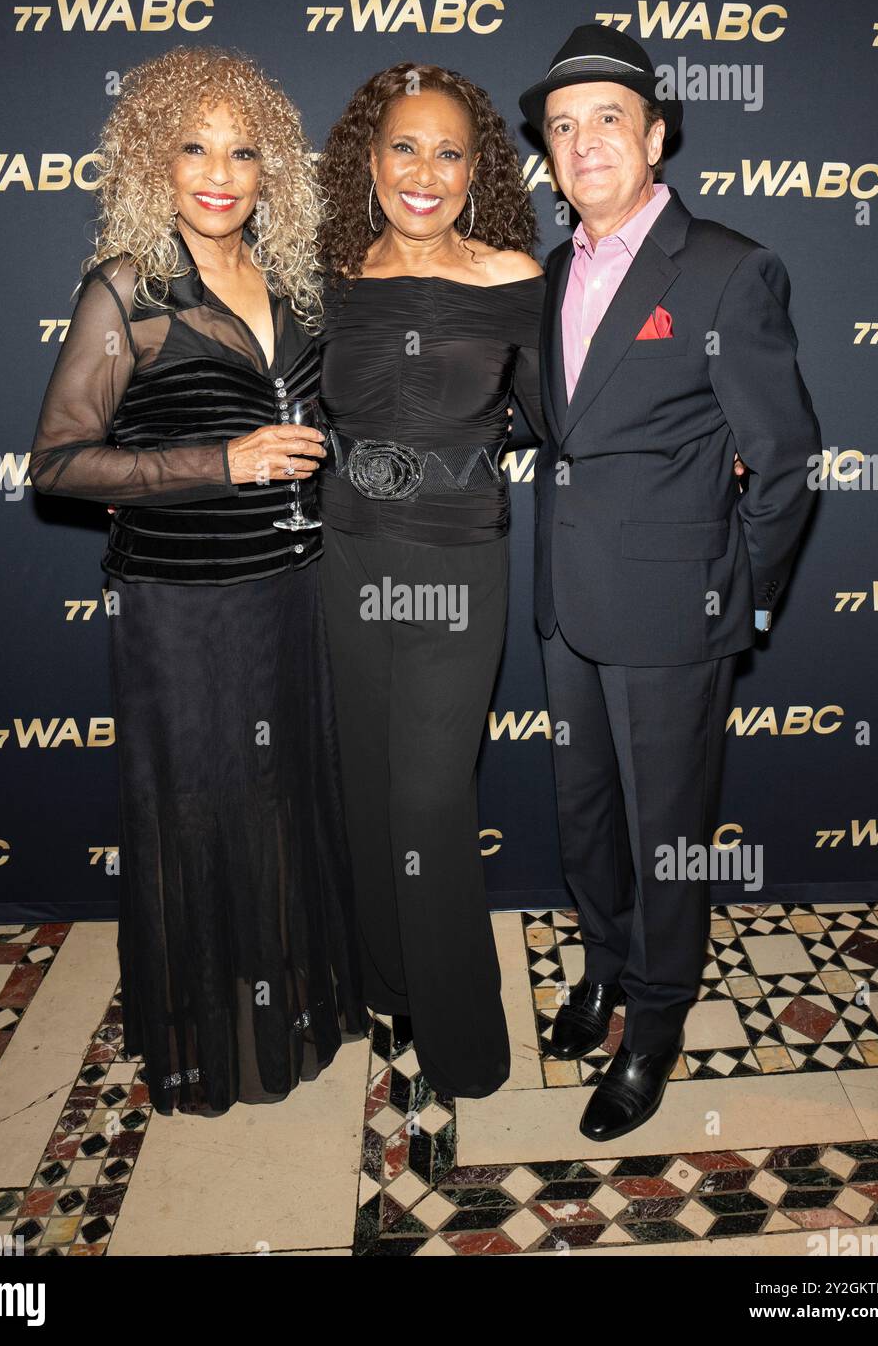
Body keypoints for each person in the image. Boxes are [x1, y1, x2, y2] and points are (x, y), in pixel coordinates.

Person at [28, 44, 368, 1117]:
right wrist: (222, 460)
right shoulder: (126, 287)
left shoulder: (288, 278)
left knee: (282, 803)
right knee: (199, 811)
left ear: (272, 172)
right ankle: (211, 1038)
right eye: (194, 148)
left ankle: (296, 1009)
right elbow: (60, 463)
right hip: (180, 603)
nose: (220, 172)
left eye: (243, 151)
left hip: (292, 590)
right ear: (151, 160)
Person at [518, 24, 820, 1139]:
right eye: (561, 126)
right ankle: (602, 969)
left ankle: (652, 1024)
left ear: (653, 133)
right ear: (545, 154)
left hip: (673, 612)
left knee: (665, 833)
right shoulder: (552, 272)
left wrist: (735, 599)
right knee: (584, 814)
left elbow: (783, 458)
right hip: (565, 605)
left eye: (607, 119)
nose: (583, 142)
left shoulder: (727, 266)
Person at [314, 63, 544, 1097]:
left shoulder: (510, 279)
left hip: (457, 565)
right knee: (366, 787)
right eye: (403, 145)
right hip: (348, 558)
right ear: (368, 161)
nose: (424, 170)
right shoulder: (325, 278)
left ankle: (463, 1040)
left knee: (426, 798)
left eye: (447, 150)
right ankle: (387, 983)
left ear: (474, 169)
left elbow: (565, 417)